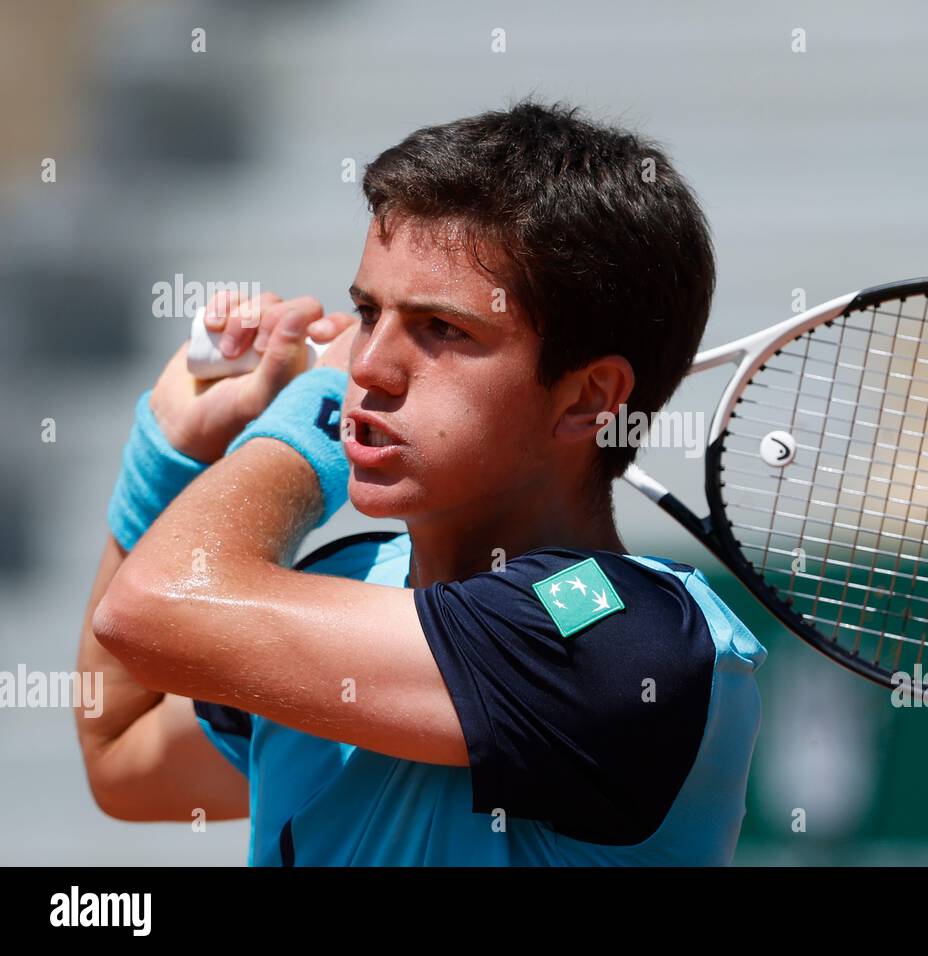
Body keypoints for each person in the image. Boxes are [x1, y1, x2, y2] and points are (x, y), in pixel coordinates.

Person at [75, 100, 767, 865]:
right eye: (369, 313)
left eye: (444, 329)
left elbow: (147, 609)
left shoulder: (624, 641)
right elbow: (122, 754)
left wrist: (314, 411)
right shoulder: (346, 576)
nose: (370, 364)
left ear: (588, 398)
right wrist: (171, 448)